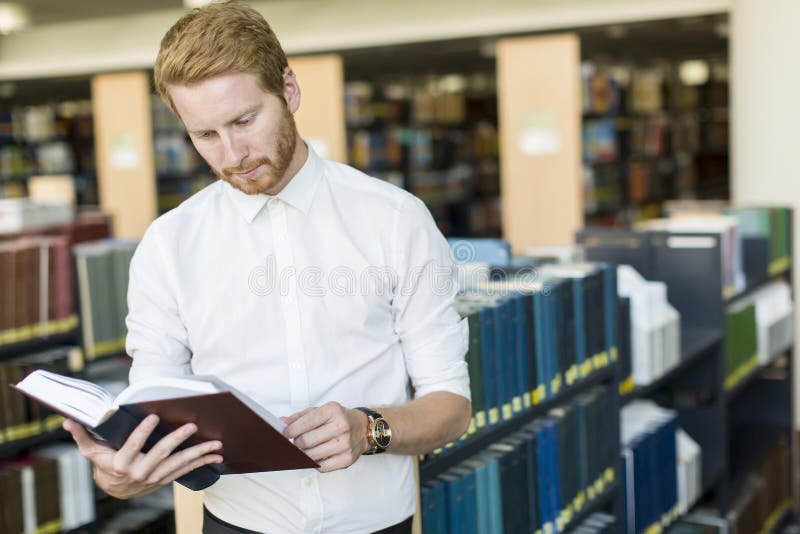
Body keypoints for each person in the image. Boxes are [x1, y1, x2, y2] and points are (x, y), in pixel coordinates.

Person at [62, 1, 471, 533]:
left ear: (290, 91)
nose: (232, 153)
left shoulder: (395, 220)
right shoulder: (169, 245)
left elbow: (451, 405)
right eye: (205, 136)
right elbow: (156, 408)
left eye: (244, 120)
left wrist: (367, 428)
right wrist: (124, 476)